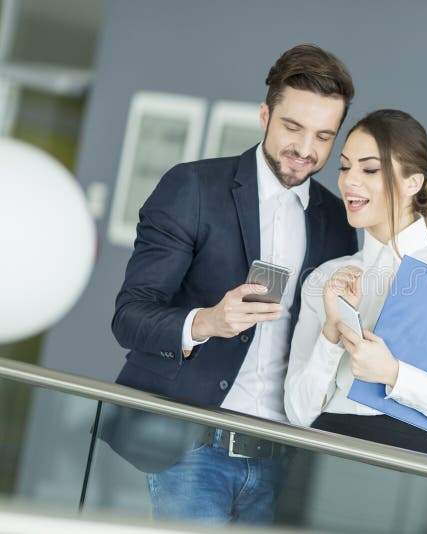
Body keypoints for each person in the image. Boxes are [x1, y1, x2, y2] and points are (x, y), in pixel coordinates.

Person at [109, 44, 357, 524]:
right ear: (265, 114)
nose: (306, 150)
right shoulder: (193, 188)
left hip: (283, 463)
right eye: (293, 127)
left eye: (324, 136)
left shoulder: (338, 222)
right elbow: (129, 316)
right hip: (189, 448)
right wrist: (206, 321)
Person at [284, 109, 427, 459]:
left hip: (412, 467)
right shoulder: (327, 279)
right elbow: (298, 413)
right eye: (344, 166)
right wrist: (331, 333)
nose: (348, 181)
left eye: (369, 169)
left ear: (412, 182)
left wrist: (394, 374)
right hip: (322, 458)